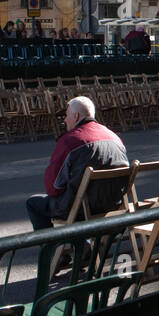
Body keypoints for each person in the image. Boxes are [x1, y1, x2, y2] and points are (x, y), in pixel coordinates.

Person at [25, 96, 129, 233]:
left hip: (80, 208)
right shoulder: (114, 137)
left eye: (67, 115)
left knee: (33, 203)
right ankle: (84, 244)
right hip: (112, 204)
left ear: (76, 116)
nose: (64, 119)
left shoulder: (70, 141)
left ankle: (51, 251)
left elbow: (53, 188)